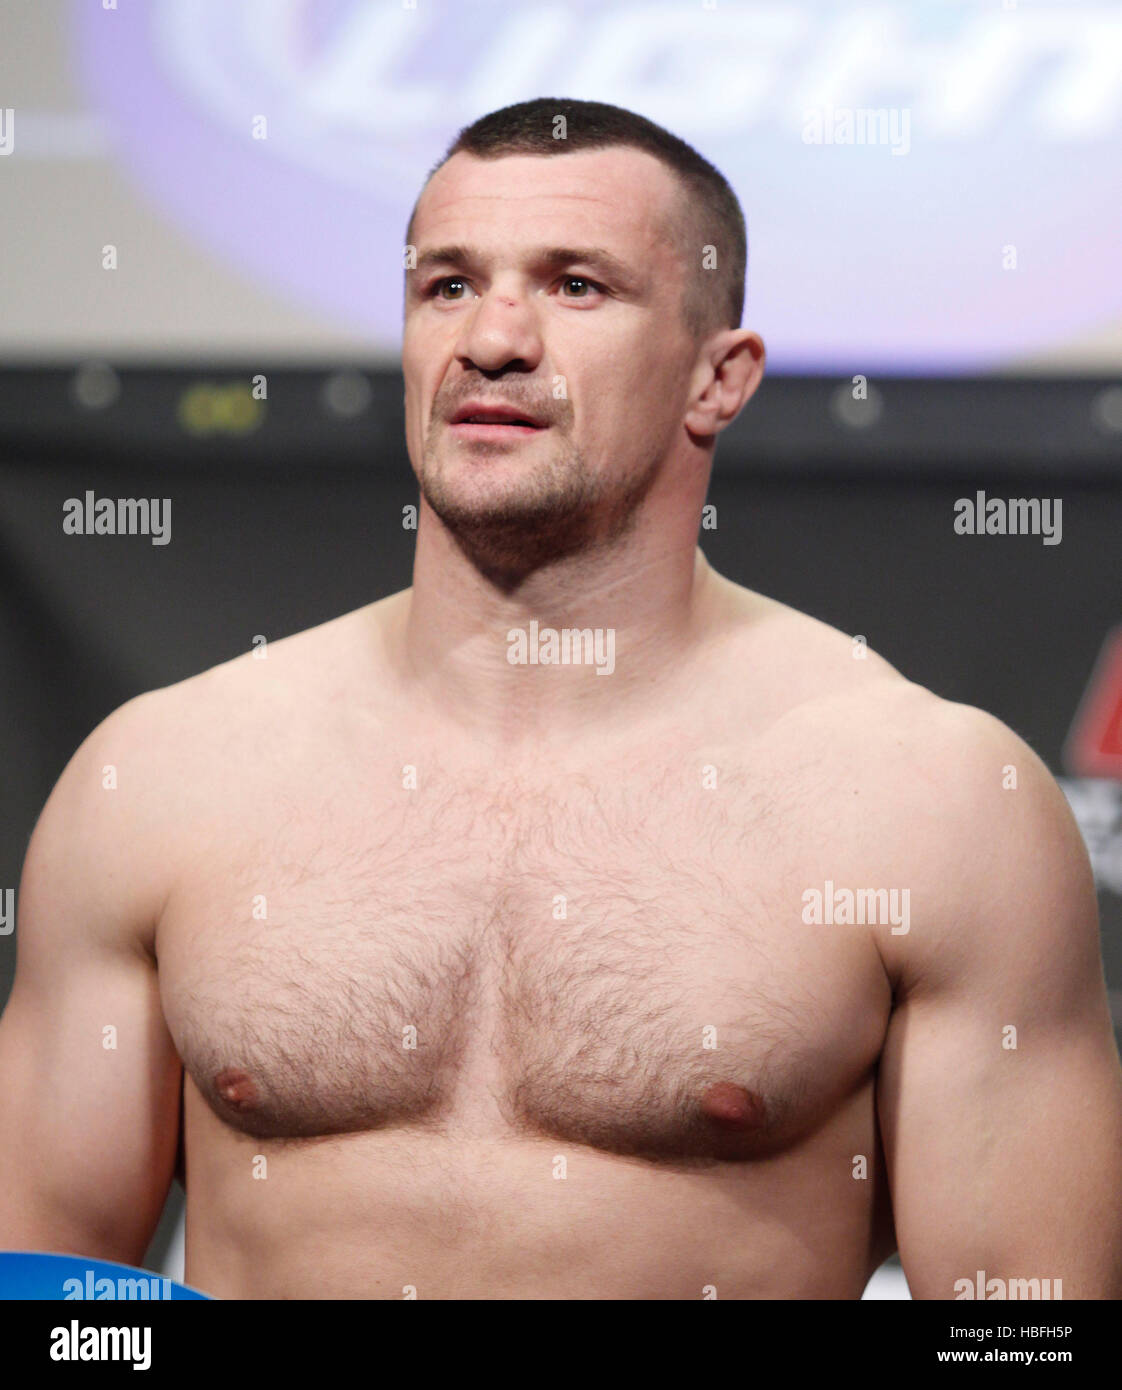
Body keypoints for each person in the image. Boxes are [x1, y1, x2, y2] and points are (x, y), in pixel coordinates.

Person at [2, 98, 1119, 1300]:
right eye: (446, 286)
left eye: (576, 286)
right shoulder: (168, 775)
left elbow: (1021, 1327)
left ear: (718, 377)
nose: (492, 338)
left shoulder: (934, 803)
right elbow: (45, 1290)